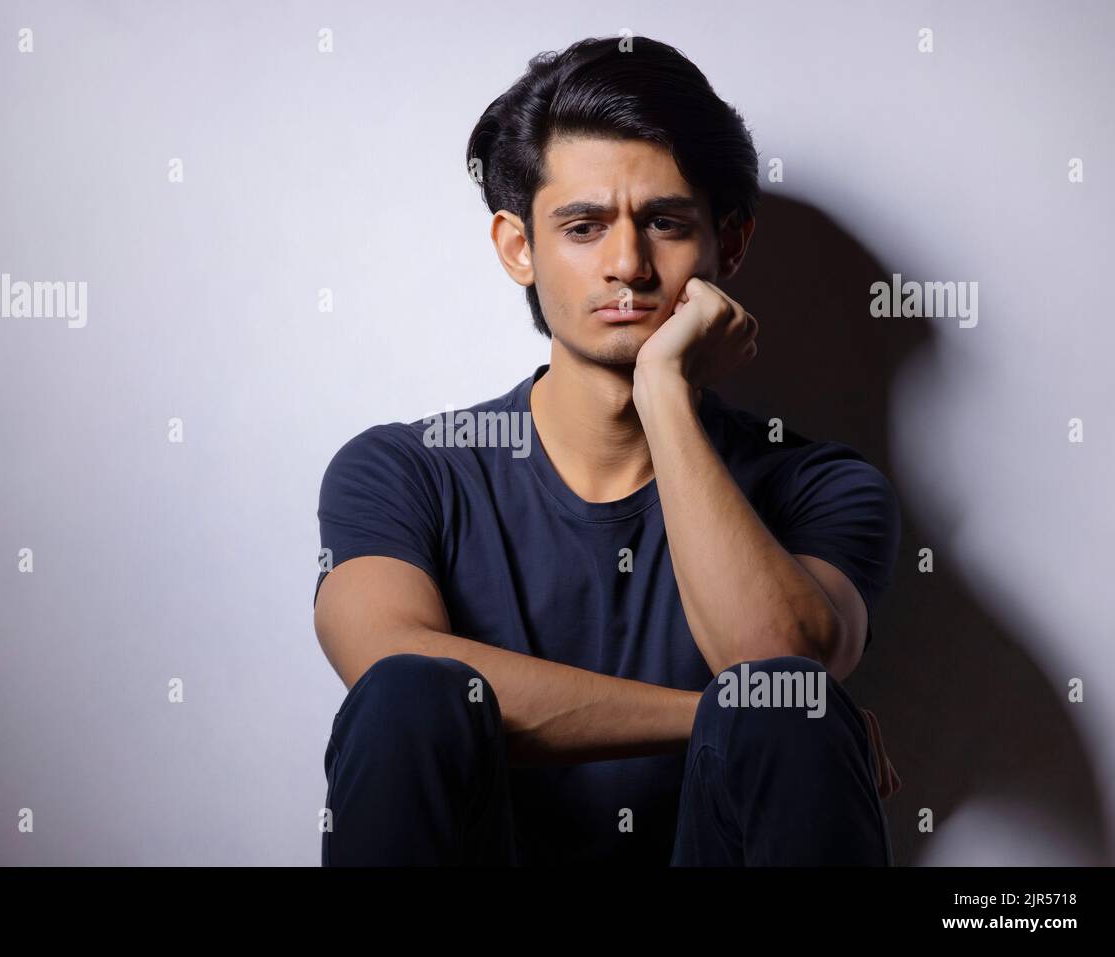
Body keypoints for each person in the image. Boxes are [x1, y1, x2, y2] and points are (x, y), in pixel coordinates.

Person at [313, 35, 902, 866]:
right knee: (410, 692)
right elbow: (387, 666)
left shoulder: (822, 487)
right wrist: (709, 713)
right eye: (584, 226)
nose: (628, 264)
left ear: (729, 244)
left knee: (786, 700)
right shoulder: (405, 471)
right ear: (518, 246)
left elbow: (781, 673)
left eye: (665, 222)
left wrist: (664, 391)